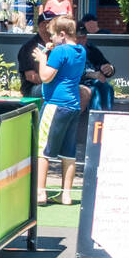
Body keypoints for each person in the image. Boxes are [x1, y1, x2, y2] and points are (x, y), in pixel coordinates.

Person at [33, 16, 87, 205]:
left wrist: (42, 58)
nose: (50, 39)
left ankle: (40, 193)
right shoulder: (80, 50)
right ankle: (66, 195)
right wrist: (52, 50)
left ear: (62, 35)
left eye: (53, 35)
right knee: (69, 152)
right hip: (73, 106)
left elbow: (45, 77)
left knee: (42, 150)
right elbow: (66, 64)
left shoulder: (59, 51)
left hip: (55, 104)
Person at [77, 26, 116, 111]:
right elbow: (68, 73)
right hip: (77, 82)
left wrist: (110, 68)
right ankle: (95, 121)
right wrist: (88, 75)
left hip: (93, 81)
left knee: (107, 87)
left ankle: (106, 118)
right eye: (78, 38)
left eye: (84, 37)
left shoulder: (90, 49)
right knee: (94, 91)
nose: (82, 41)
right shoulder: (69, 50)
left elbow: (104, 63)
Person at [17, 12, 53, 97]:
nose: (49, 26)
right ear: (39, 25)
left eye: (51, 22)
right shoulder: (29, 47)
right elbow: (31, 77)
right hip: (32, 88)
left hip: (52, 83)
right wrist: (52, 82)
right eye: (45, 23)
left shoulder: (58, 44)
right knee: (54, 90)